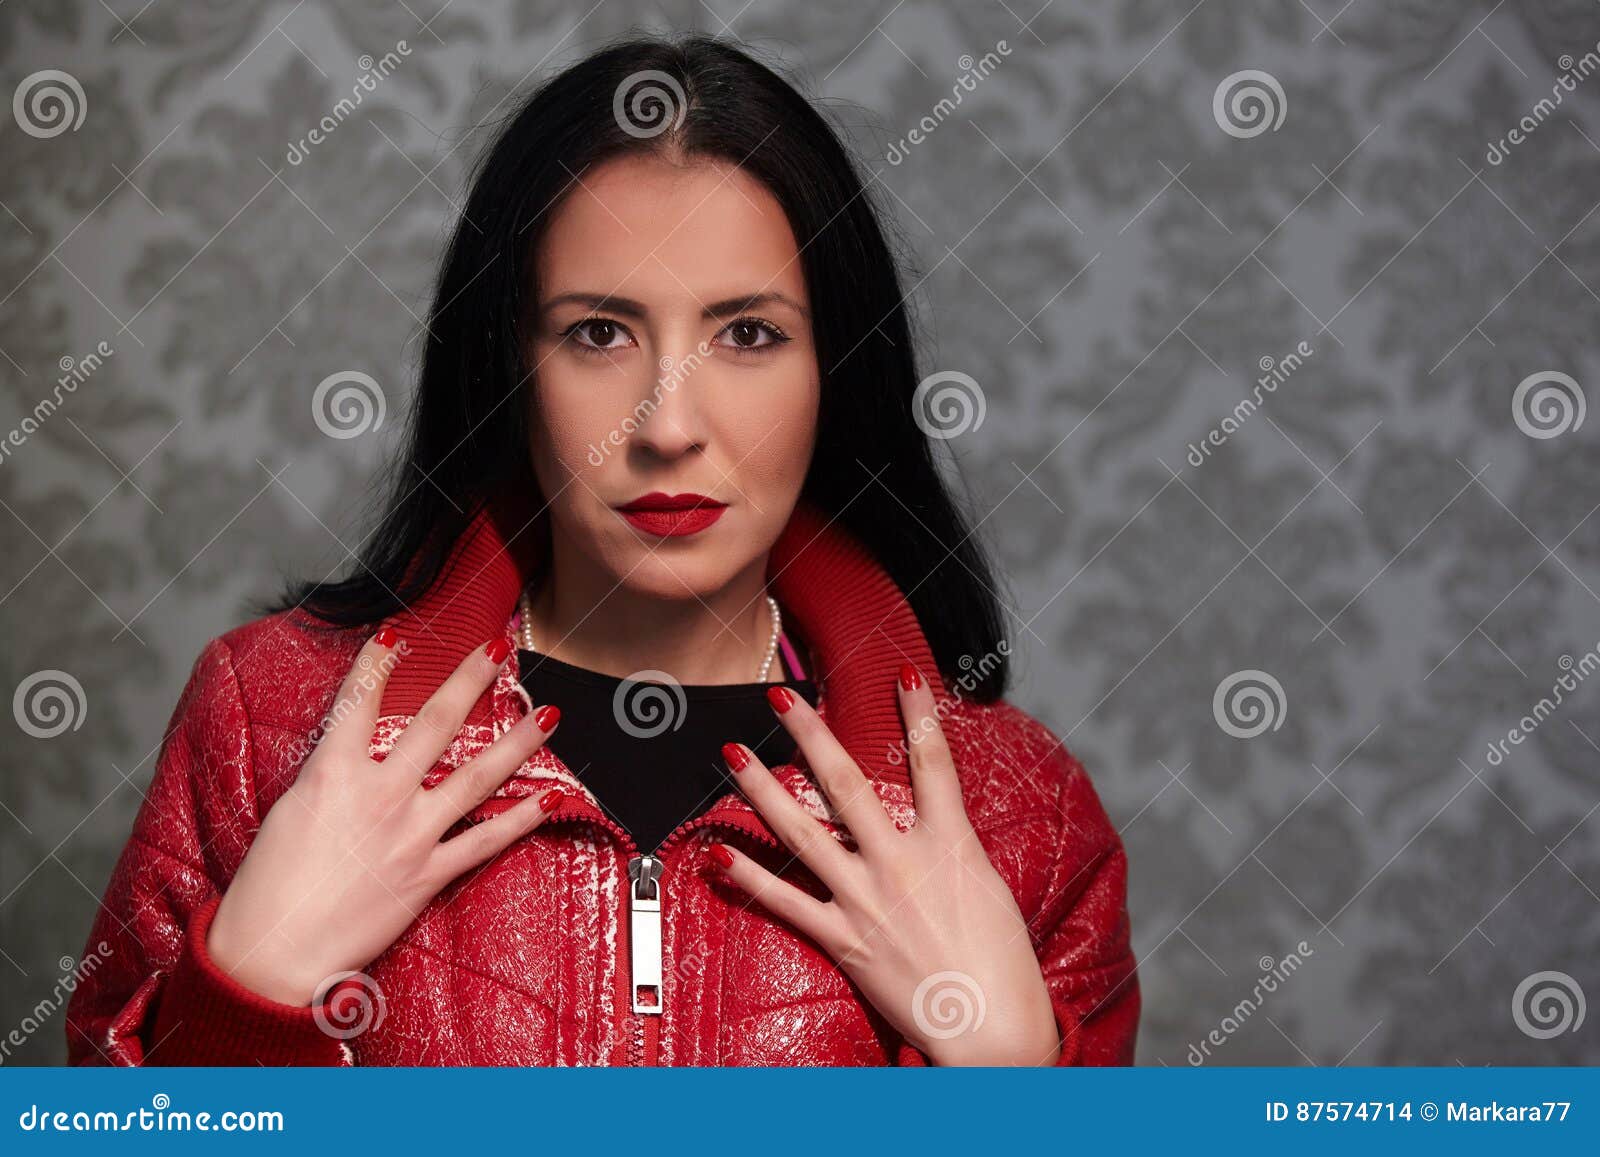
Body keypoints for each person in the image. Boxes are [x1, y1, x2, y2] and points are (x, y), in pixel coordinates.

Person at [66, 32, 1139, 1066]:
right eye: (598, 333)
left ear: (835, 371)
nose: (668, 425)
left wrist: (1006, 1076)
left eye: (748, 334)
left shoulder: (1021, 814)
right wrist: (250, 996)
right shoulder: (264, 725)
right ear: (511, 366)